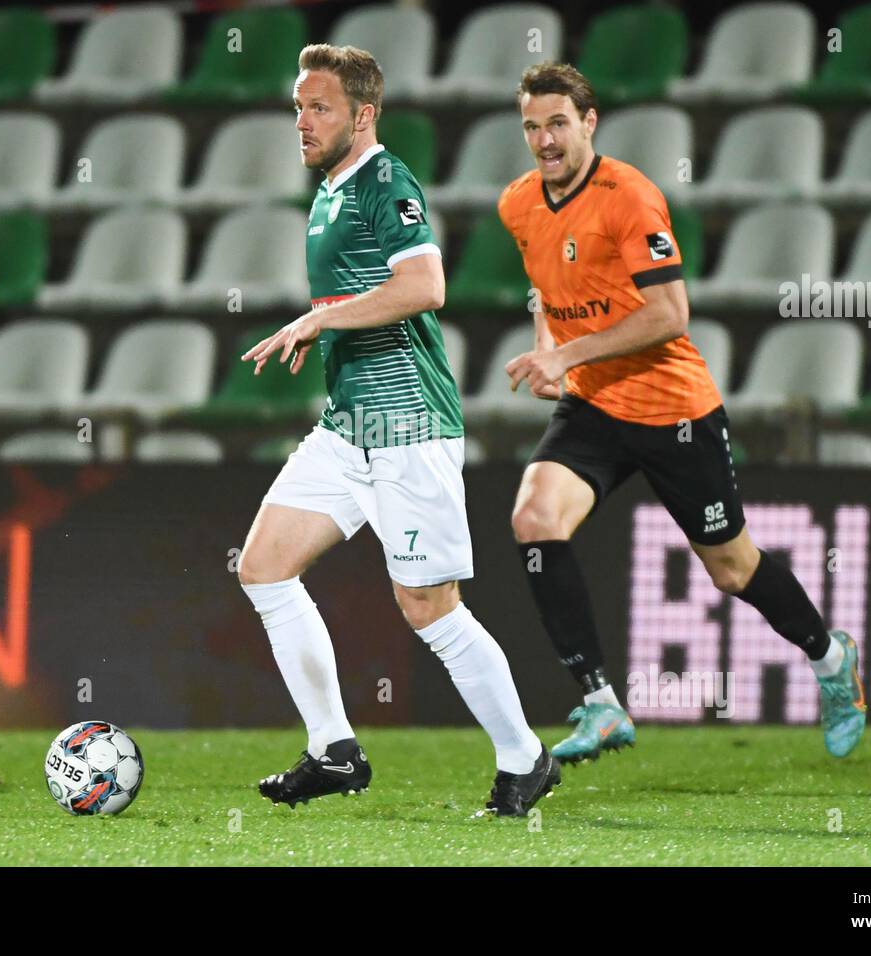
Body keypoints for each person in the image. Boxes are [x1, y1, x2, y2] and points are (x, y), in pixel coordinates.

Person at [496, 63, 866, 764]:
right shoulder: (517, 204)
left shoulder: (629, 197)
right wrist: (553, 353)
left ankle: (828, 658)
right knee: (534, 518)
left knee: (731, 570)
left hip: (675, 411)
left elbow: (670, 314)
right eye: (532, 126)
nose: (543, 140)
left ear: (589, 122)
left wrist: (566, 354)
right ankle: (602, 703)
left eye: (557, 124)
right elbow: (547, 290)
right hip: (595, 405)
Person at [237, 44, 558, 816]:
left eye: (319, 108)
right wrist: (327, 323)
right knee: (263, 568)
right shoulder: (327, 191)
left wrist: (319, 319)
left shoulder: (387, 181)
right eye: (297, 108)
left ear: (363, 114)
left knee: (429, 608)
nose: (303, 123)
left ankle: (525, 758)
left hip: (409, 422)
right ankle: (334, 750)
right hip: (350, 424)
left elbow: (425, 285)